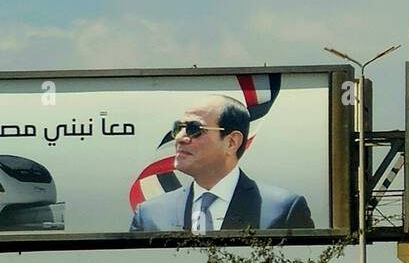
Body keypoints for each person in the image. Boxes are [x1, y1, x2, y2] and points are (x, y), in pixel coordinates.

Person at [129, 95, 313, 231]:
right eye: (178, 128)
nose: (179, 138)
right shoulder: (150, 215)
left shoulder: (282, 209)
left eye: (194, 129)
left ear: (232, 142)